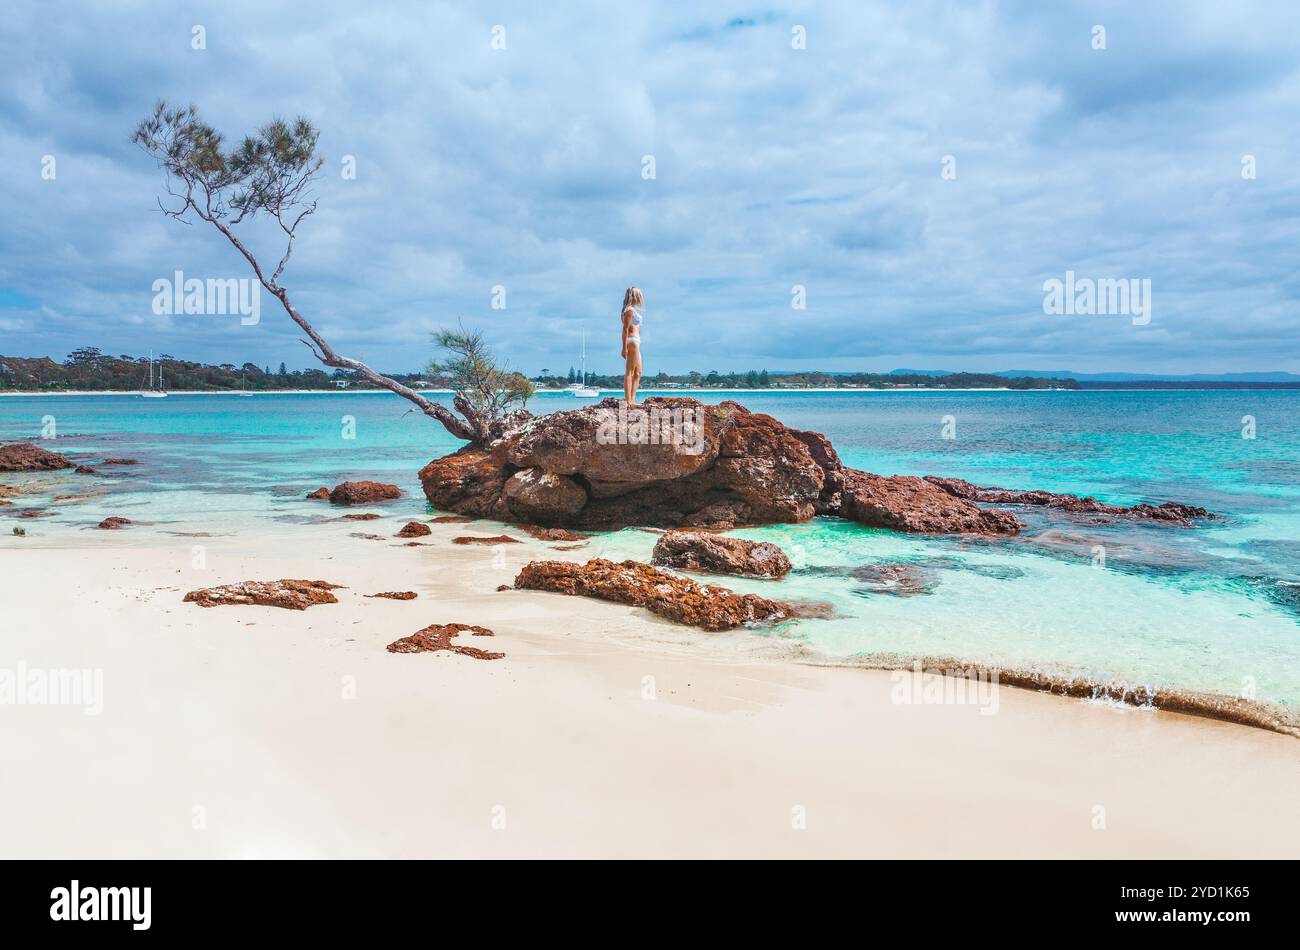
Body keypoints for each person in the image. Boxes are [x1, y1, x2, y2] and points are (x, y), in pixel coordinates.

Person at [620, 286, 644, 406]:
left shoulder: (633, 310)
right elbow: (624, 329)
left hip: (636, 341)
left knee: (638, 372)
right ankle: (628, 400)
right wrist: (624, 348)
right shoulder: (629, 310)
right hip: (632, 341)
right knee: (630, 371)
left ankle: (633, 399)